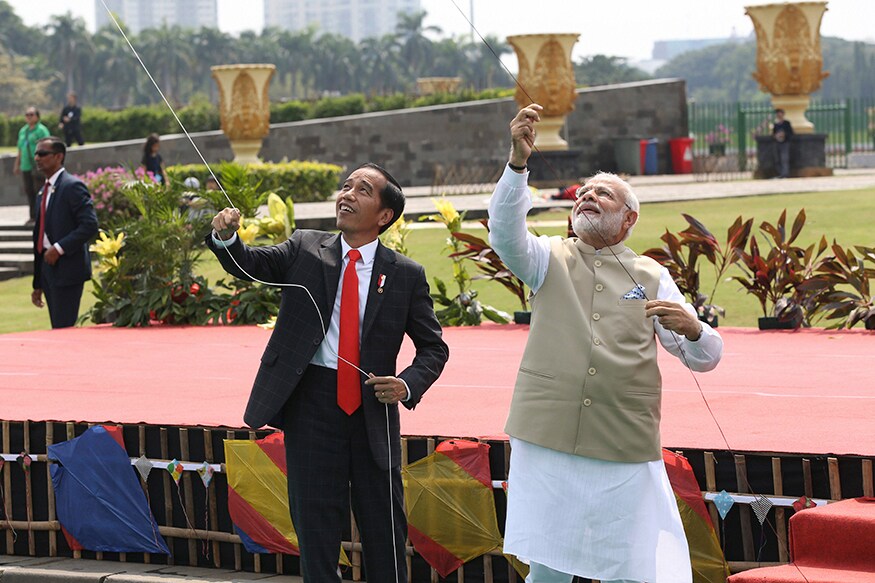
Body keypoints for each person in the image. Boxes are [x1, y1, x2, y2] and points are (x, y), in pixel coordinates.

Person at [489, 104, 723, 583]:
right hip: (548, 432)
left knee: (628, 565)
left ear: (629, 218)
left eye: (604, 194)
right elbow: (505, 233)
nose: (588, 197)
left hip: (623, 441)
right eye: (584, 193)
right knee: (548, 569)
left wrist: (695, 329)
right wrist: (517, 163)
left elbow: (704, 358)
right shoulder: (546, 258)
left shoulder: (651, 275)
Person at [207, 163, 449, 582]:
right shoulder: (304, 247)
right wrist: (227, 238)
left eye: (363, 189)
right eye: (345, 186)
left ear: (384, 215)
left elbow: (434, 348)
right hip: (311, 405)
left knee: (385, 532)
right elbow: (249, 265)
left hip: (373, 407)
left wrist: (407, 383)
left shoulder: (406, 275)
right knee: (315, 532)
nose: (347, 193)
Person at [31, 137, 99, 329]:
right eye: (36, 154)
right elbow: (40, 237)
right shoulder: (42, 192)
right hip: (48, 269)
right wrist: (37, 283)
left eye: (43, 154)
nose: (37, 158)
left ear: (59, 156)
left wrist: (59, 248)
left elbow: (89, 225)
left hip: (68, 268)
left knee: (64, 328)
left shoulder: (72, 186)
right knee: (58, 328)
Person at [14, 107, 52, 226]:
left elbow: (48, 146)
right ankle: (33, 216)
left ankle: (42, 216)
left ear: (37, 116)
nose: (28, 117)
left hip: (38, 164)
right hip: (26, 165)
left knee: (39, 190)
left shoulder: (41, 130)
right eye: (27, 114)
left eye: (31, 114)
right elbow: (20, 148)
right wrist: (17, 164)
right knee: (29, 190)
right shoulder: (23, 131)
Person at [772, 108, 793, 178]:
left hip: (785, 142)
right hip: (777, 142)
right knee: (777, 159)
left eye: (780, 113)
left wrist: (784, 134)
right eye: (777, 113)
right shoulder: (776, 124)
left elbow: (791, 133)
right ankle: (780, 173)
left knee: (784, 158)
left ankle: (785, 174)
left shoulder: (786, 123)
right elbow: (773, 133)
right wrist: (776, 136)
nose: (778, 114)